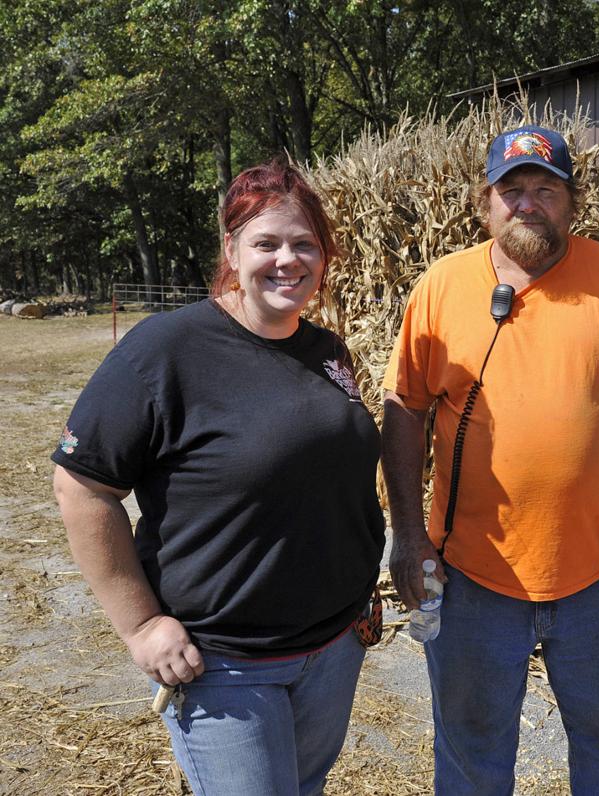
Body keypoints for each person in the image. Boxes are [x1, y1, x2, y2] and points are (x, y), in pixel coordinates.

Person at [51, 160, 385, 795]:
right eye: (266, 243)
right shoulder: (165, 351)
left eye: (305, 243)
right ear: (231, 250)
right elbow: (82, 486)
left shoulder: (327, 351)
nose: (288, 259)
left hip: (333, 648)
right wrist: (141, 625)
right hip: (226, 665)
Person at [381, 124, 599, 794]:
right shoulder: (442, 288)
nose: (527, 203)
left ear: (570, 201)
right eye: (510, 190)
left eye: (544, 190)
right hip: (471, 579)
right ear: (484, 201)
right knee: (471, 755)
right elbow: (403, 408)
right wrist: (408, 536)